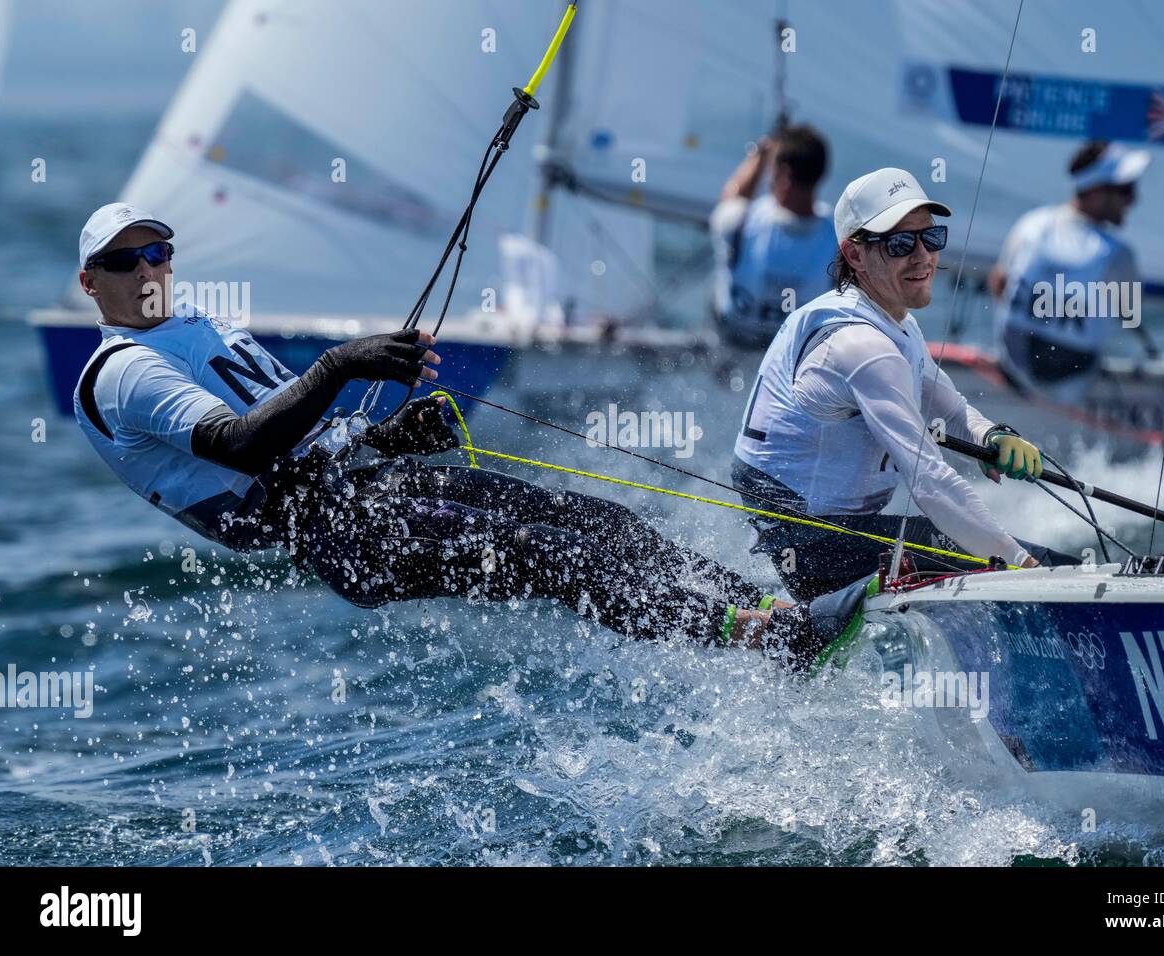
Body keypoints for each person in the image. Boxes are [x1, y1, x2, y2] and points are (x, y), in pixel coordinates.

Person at [71, 203, 870, 672]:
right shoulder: (121, 372)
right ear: (90, 280)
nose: (147, 269)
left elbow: (300, 432)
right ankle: (768, 642)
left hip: (368, 487)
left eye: (158, 252)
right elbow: (243, 445)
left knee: (596, 521)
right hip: (337, 531)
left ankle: (772, 608)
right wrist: (343, 362)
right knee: (554, 555)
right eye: (124, 260)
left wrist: (386, 436)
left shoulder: (196, 321)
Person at [732, 169, 1079, 601]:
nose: (922, 257)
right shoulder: (861, 346)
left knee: (1005, 555)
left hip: (830, 534)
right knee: (1024, 562)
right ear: (854, 255)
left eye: (930, 239)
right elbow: (929, 481)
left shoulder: (893, 321)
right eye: (899, 244)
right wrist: (1025, 571)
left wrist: (991, 434)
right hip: (812, 546)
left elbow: (950, 409)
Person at [987, 140, 1159, 399]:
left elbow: (998, 284)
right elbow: (1129, 313)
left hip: (1013, 372)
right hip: (1073, 388)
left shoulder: (1032, 225)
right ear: (1096, 190)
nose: (1134, 199)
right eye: (1126, 190)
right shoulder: (1118, 254)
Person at [710, 125, 835, 350]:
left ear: (784, 175)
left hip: (726, 346)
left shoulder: (739, 221)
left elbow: (731, 198)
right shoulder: (838, 237)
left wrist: (759, 156)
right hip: (792, 358)